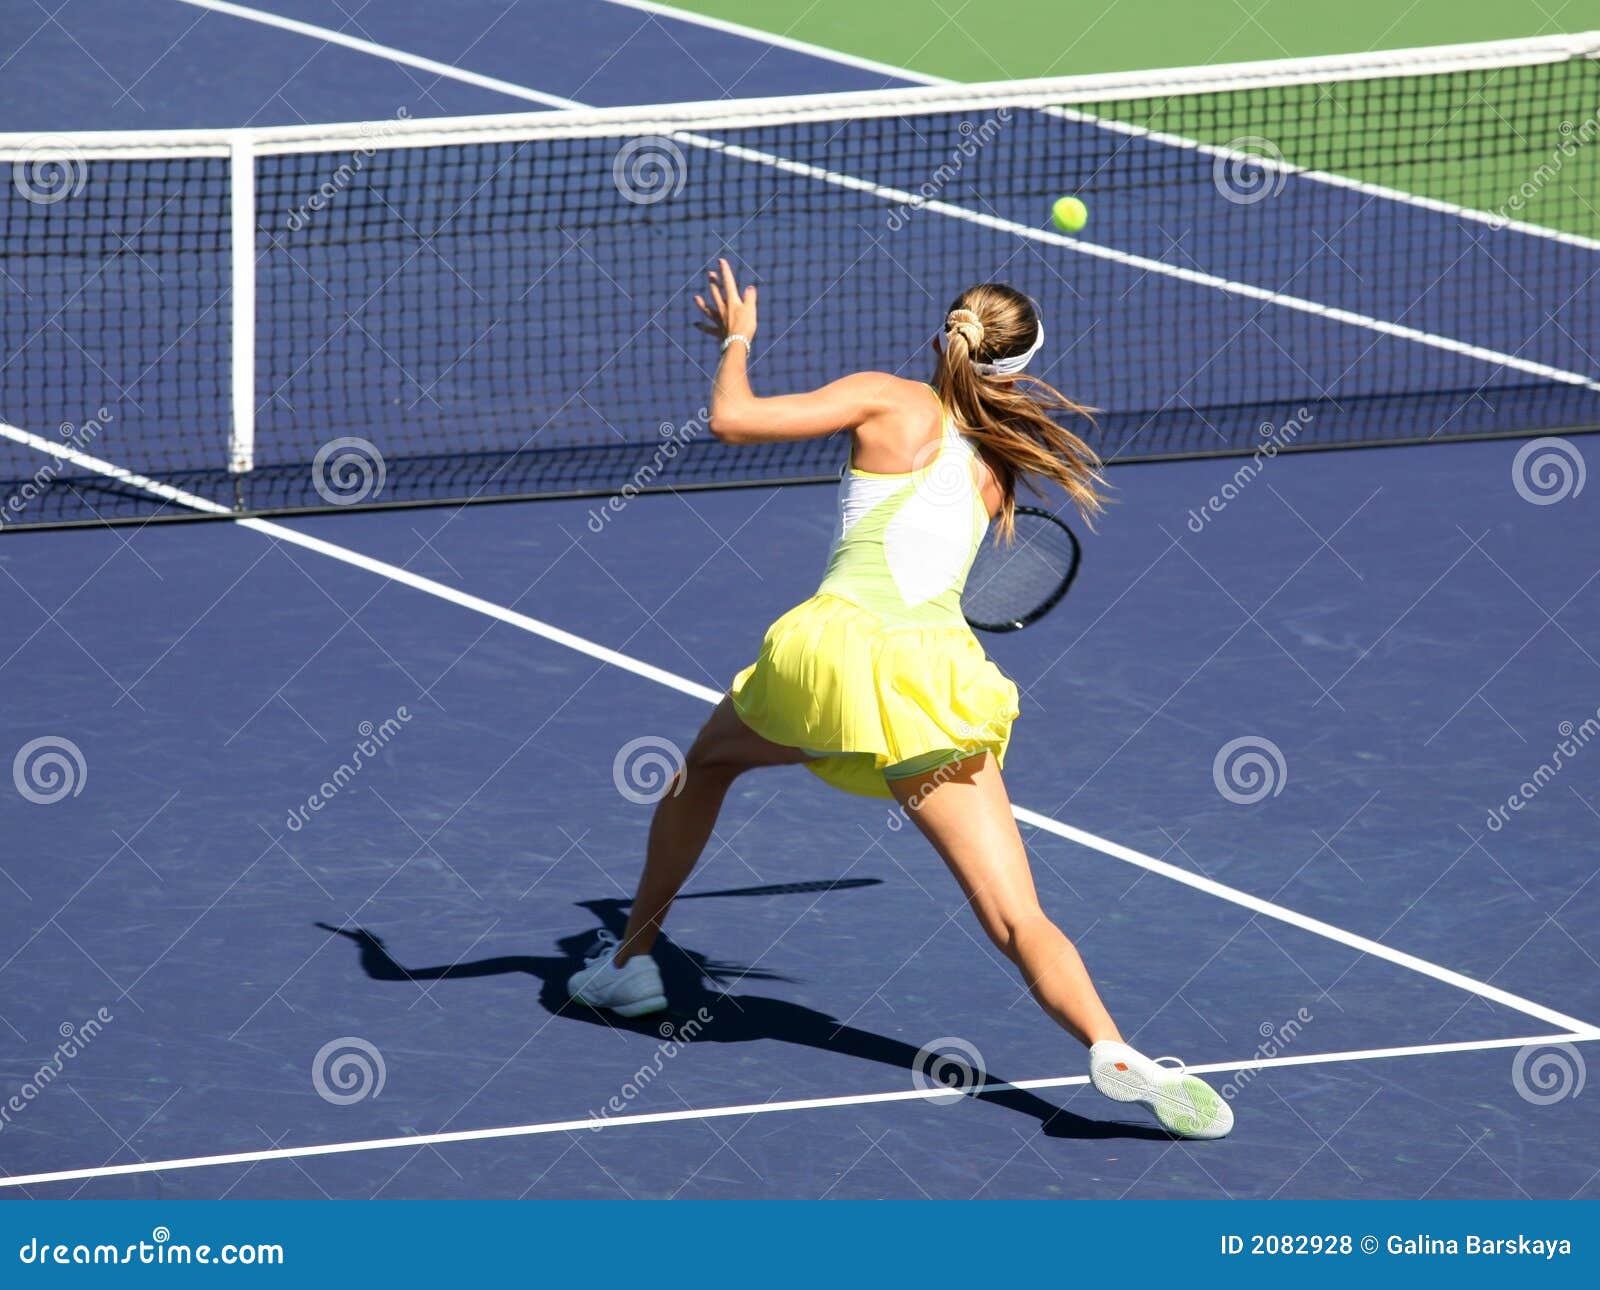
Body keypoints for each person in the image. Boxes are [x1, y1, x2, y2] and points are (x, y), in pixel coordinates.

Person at [568, 260, 1232, 1140]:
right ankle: (1111, 1047)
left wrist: (737, 340)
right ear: (1017, 369)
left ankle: (634, 960)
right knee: (1015, 912)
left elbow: (732, 419)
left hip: (833, 657)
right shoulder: (1002, 462)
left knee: (707, 766)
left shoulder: (884, 397)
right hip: (933, 678)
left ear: (941, 337)